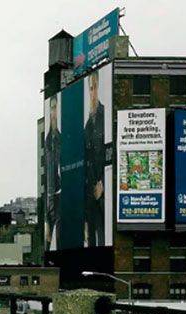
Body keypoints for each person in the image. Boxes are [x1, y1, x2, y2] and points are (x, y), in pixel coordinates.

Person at [84, 70, 106, 247]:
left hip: (103, 190)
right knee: (91, 238)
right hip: (89, 191)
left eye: (95, 87)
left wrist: (103, 183)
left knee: (103, 236)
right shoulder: (87, 124)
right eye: (90, 88)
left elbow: (111, 151)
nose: (92, 92)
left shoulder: (105, 115)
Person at [44, 95, 62, 250]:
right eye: (51, 107)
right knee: (48, 243)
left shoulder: (62, 139)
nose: (53, 111)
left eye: (55, 107)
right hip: (49, 198)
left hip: (59, 196)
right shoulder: (48, 139)